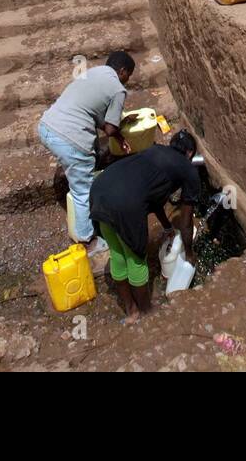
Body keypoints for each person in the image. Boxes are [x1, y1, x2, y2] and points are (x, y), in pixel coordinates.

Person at [89, 133, 200, 323]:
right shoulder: (188, 169)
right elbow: (186, 222)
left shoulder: (153, 150)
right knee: (136, 259)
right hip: (124, 203)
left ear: (171, 144)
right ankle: (147, 313)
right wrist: (189, 253)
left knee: (117, 254)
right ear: (189, 153)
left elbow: (154, 198)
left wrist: (166, 227)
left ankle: (131, 311)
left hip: (99, 190)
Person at [37, 51, 135, 253]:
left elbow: (93, 112)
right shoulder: (118, 89)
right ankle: (88, 242)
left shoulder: (93, 72)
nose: (127, 81)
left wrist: (118, 135)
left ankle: (79, 179)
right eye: (129, 76)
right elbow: (108, 128)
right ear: (122, 71)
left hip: (47, 126)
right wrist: (117, 133)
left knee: (84, 166)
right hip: (69, 139)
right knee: (82, 190)